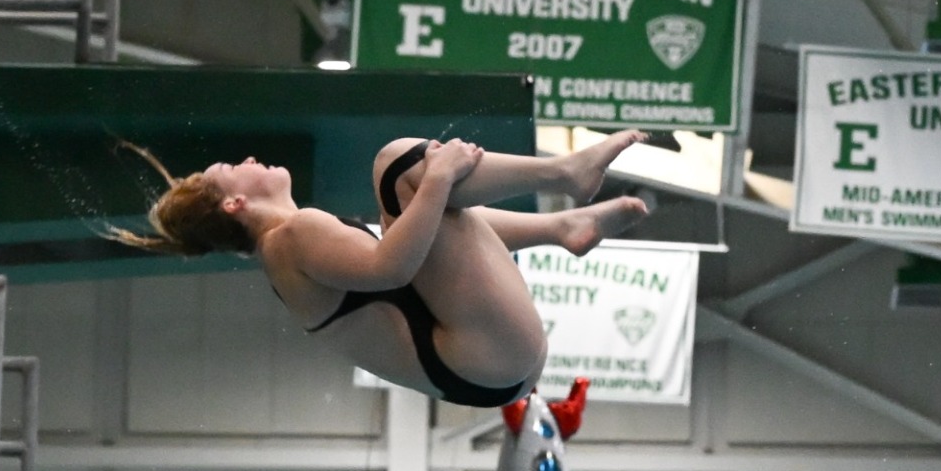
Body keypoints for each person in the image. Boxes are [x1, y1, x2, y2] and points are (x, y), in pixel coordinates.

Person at [111, 131, 651, 407]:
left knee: (414, 205)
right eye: (234, 170)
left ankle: (563, 227)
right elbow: (394, 268)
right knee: (398, 165)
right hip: (484, 358)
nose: (249, 161)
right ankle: (566, 173)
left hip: (491, 372)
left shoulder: (296, 251)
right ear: (234, 206)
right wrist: (439, 176)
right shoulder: (290, 238)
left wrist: (439, 187)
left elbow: (434, 243)